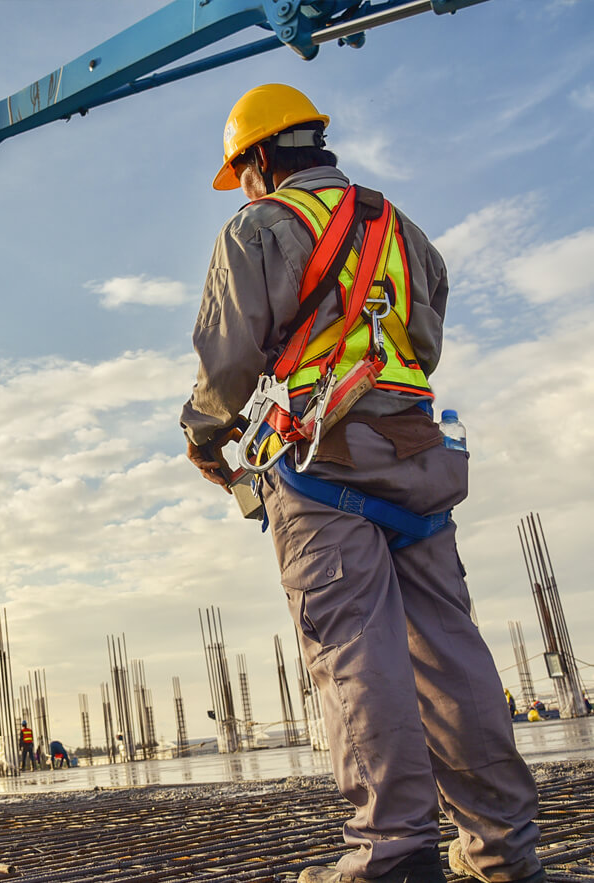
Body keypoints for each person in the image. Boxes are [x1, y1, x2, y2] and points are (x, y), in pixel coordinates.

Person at [181, 83, 543, 883]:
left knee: (355, 653)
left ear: (261, 157)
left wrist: (203, 433)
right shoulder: (401, 229)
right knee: (453, 656)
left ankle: (393, 851)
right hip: (417, 458)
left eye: (241, 169)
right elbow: (425, 337)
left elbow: (227, 359)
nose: (241, 185)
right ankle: (504, 848)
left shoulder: (259, 227)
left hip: (321, 466)